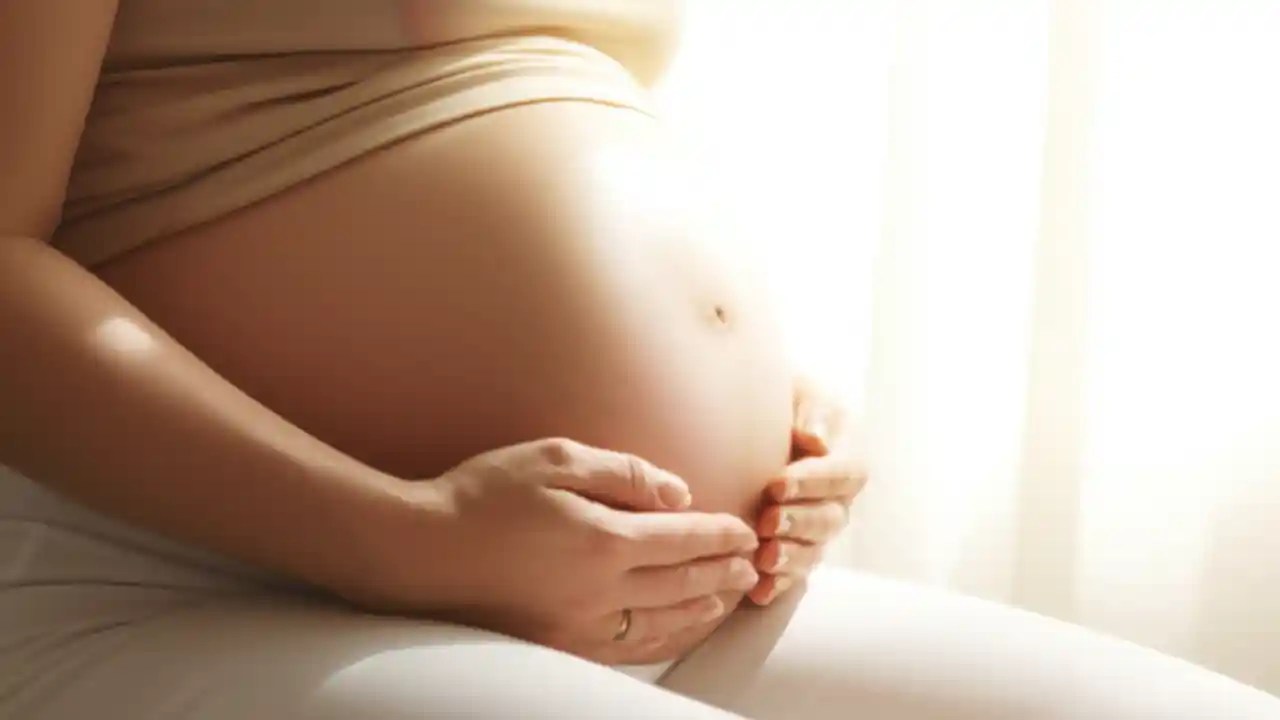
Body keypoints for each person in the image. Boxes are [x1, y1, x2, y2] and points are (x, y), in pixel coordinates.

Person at [0, 2, 1275, 718]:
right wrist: (408, 534)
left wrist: (779, 411)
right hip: (195, 577)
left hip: (646, 593)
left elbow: (530, 123)